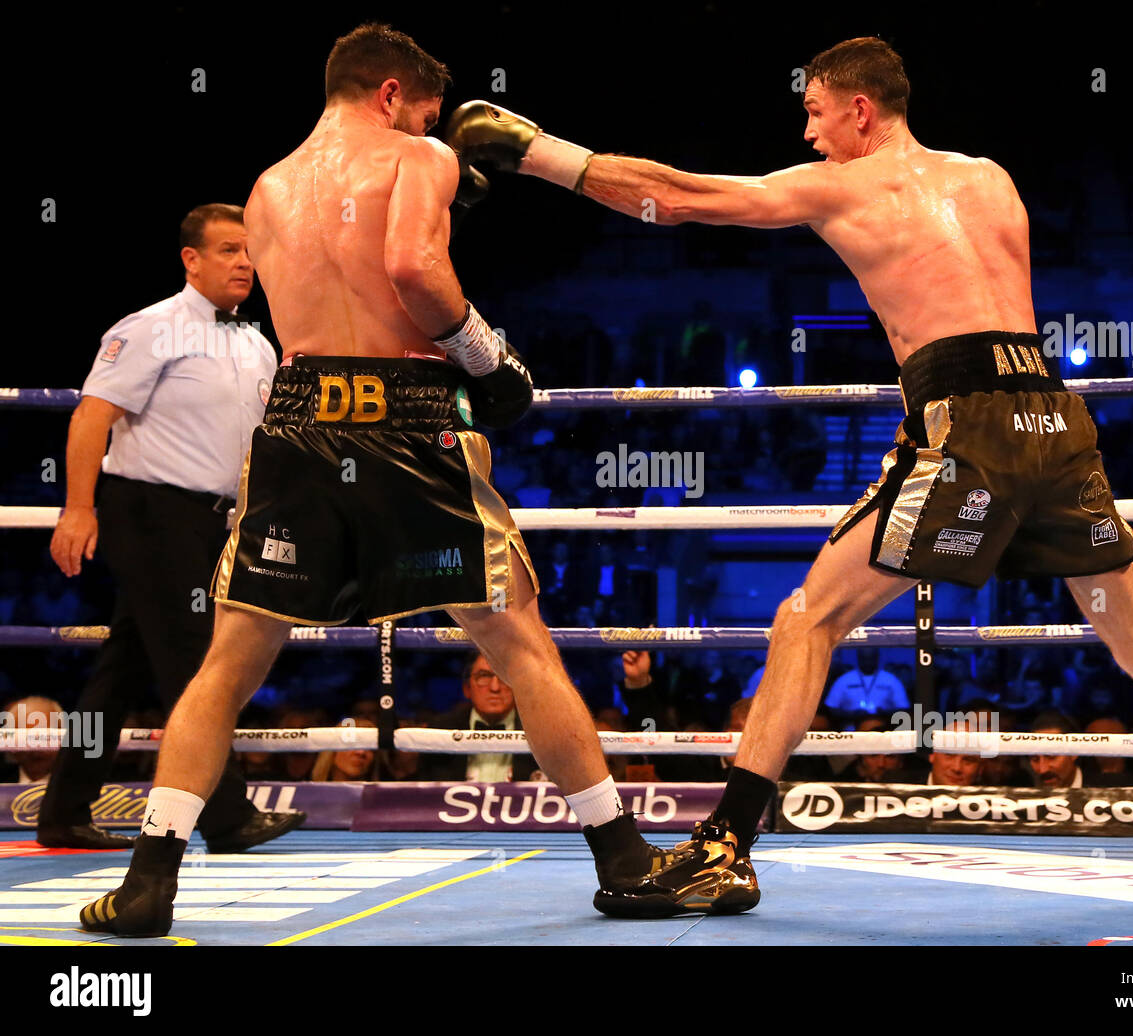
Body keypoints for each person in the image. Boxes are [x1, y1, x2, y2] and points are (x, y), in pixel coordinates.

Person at [449, 35, 1133, 913]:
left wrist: (538, 153)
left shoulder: (844, 185)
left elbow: (678, 199)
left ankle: (726, 844)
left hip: (968, 430)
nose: (809, 135)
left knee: (807, 619)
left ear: (859, 111)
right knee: (1132, 632)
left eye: (815, 113)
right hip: (1054, 420)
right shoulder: (991, 178)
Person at [80, 24, 678, 939]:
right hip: (407, 412)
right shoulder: (417, 155)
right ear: (395, 94)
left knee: (229, 660)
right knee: (517, 637)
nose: (434, 130)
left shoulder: (267, 188)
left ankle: (150, 879)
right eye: (429, 113)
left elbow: (327, 290)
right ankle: (625, 859)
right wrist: (491, 358)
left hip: (300, 414)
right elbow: (408, 268)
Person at [41, 203, 302, 853]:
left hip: (218, 520)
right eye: (228, 251)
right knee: (195, 658)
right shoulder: (151, 328)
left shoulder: (256, 341)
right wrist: (78, 508)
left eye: (250, 252)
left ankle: (65, 809)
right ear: (191, 259)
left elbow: (263, 441)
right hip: (151, 512)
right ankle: (227, 816)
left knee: (124, 667)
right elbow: (91, 418)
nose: (245, 263)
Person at [423, 652, 540, 782]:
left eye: (504, 676)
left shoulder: (540, 733)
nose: (495, 688)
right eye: (484, 676)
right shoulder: (441, 729)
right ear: (467, 688)